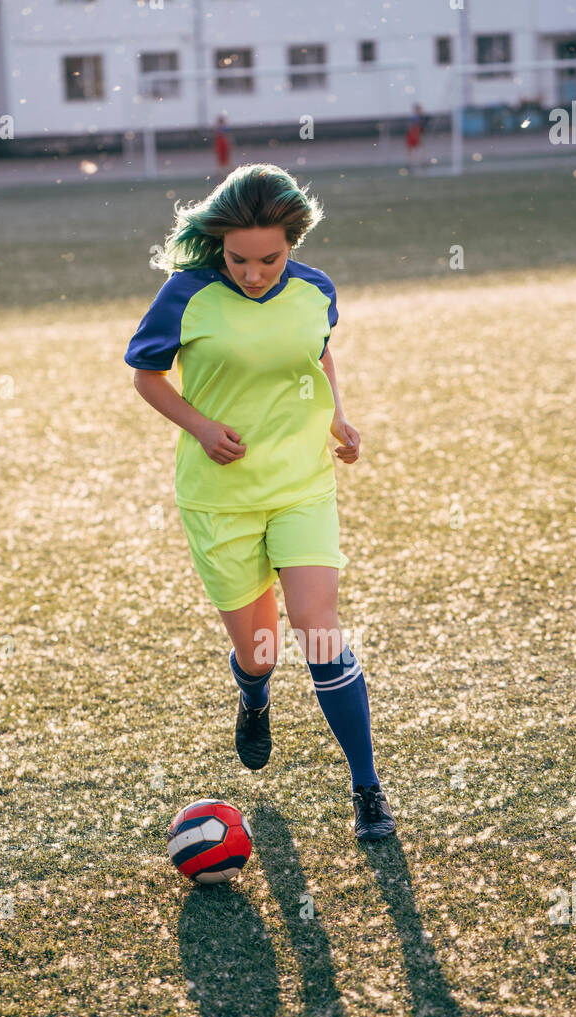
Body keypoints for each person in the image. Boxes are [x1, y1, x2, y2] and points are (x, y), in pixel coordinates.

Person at [123, 163, 396, 841]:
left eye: (268, 259)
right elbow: (146, 375)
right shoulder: (185, 294)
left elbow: (318, 355)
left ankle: (367, 790)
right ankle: (253, 693)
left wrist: (338, 419)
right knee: (264, 651)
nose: (252, 273)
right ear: (218, 245)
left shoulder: (315, 291)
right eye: (238, 259)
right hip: (220, 501)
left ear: (293, 242)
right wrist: (201, 426)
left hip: (301, 486)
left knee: (318, 628)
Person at [405, 102, 427, 168]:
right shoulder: (415, 117)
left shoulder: (419, 117)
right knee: (413, 149)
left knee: (418, 148)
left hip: (417, 134)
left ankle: (419, 162)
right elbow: (412, 126)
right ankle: (412, 162)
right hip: (414, 134)